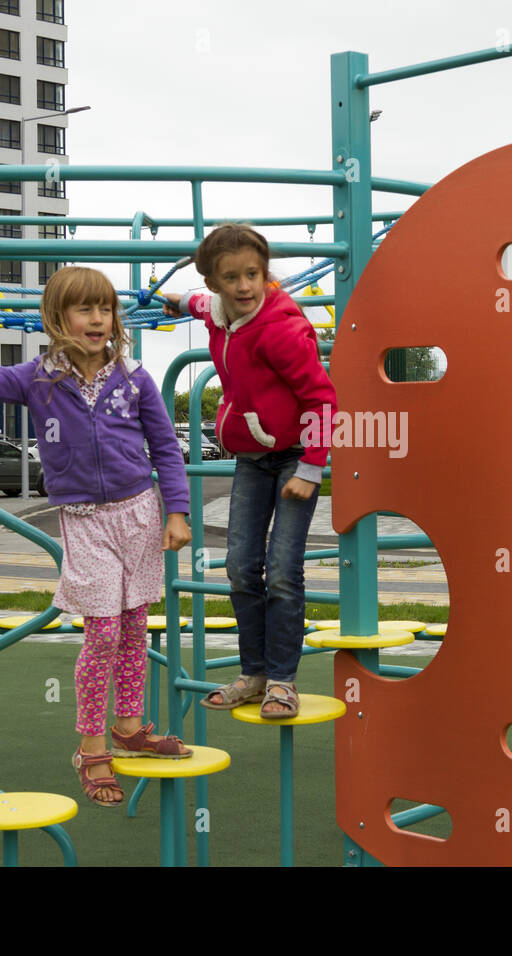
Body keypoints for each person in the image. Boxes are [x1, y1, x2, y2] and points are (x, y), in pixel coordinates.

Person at [0, 266, 193, 808]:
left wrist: (176, 510)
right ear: (59, 320)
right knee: (102, 631)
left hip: (138, 512)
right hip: (84, 520)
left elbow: (166, 449)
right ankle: (91, 745)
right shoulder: (39, 378)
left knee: (134, 628)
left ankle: (130, 726)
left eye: (105, 309)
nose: (98, 320)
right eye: (85, 310)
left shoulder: (134, 377)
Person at [163, 223, 336, 719]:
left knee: (282, 570)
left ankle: (282, 680)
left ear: (264, 272)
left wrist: (311, 467)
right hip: (251, 460)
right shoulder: (219, 311)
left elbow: (322, 399)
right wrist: (177, 302)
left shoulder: (281, 329)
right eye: (231, 277)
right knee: (240, 566)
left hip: (294, 459)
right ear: (215, 282)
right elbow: (198, 304)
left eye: (253, 274)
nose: (244, 286)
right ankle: (253, 672)